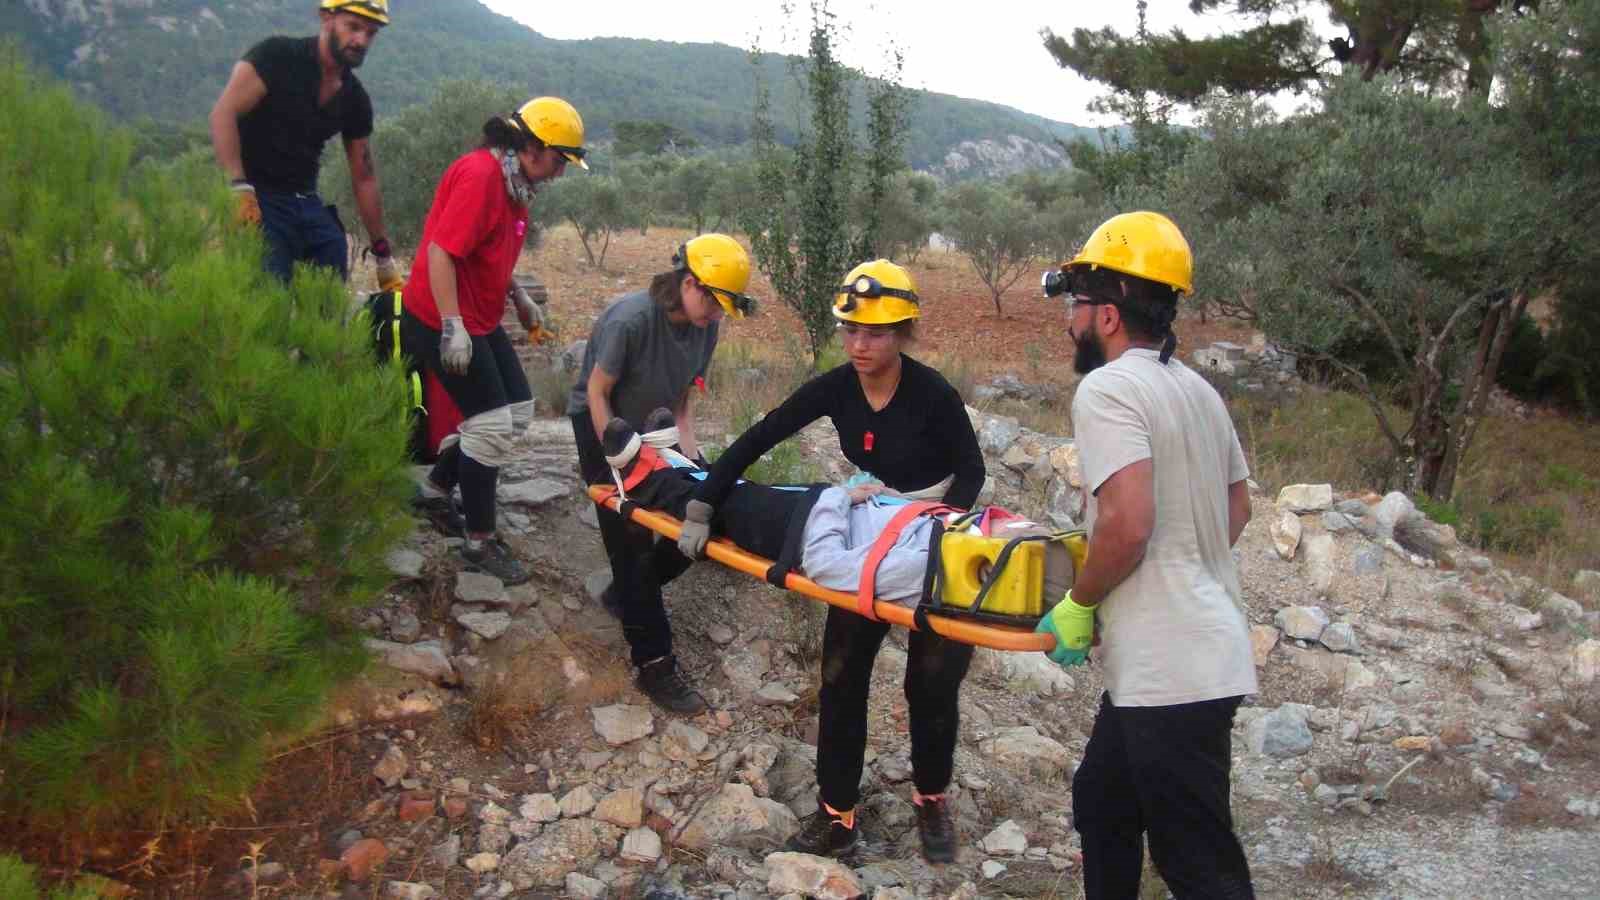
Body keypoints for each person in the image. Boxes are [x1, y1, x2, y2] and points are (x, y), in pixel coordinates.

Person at [680, 259, 985, 863]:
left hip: (933, 536)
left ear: (901, 332)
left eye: (873, 332)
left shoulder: (932, 393)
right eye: (850, 331)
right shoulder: (838, 386)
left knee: (931, 681)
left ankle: (931, 799)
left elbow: (971, 468)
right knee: (842, 677)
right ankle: (837, 814)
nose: (859, 344)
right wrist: (702, 502)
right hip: (868, 536)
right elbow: (761, 435)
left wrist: (941, 525)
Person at [1035, 211, 1257, 899]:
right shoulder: (1195, 389)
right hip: (1187, 654)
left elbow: (1128, 524)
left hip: (1173, 671)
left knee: (1198, 865)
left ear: (1106, 316)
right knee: (1102, 802)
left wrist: (1081, 602)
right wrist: (1181, 572)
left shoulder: (1107, 389)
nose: (1070, 323)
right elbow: (1238, 507)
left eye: (1075, 306)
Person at [567, 234, 756, 715]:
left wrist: (693, 468)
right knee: (629, 536)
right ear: (688, 282)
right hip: (602, 427)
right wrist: (617, 466)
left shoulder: (705, 328)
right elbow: (596, 392)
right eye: (714, 302)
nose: (718, 314)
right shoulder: (631, 320)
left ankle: (627, 595)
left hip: (656, 430)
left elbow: (682, 402)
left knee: (700, 516)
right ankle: (655, 665)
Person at [401, 97, 587, 585]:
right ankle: (479, 543)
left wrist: (521, 298)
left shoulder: (514, 185)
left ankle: (438, 488)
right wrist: (451, 325)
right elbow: (442, 252)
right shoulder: (481, 177)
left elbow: (491, 252)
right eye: (558, 160)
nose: (559, 173)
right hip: (439, 318)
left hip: (479, 318)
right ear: (530, 147)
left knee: (518, 411)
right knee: (490, 424)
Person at [209, 0, 400, 286]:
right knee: (267, 299)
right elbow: (223, 114)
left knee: (332, 270)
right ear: (326, 17)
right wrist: (238, 189)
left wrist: (383, 256)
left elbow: (364, 177)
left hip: (305, 200)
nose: (361, 40)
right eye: (354, 27)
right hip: (257, 195)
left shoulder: (354, 99)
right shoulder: (276, 56)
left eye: (371, 33)